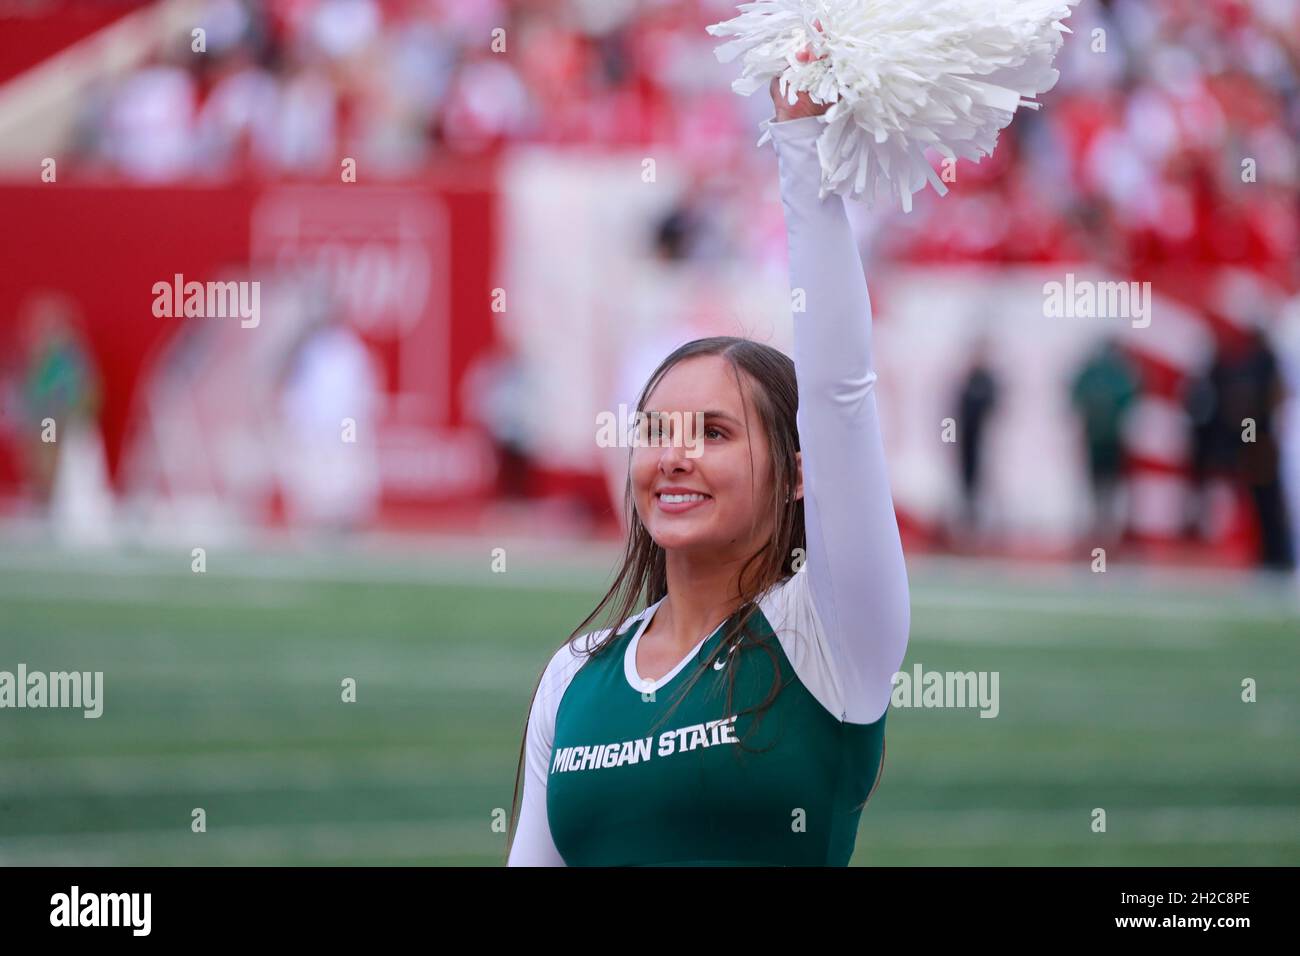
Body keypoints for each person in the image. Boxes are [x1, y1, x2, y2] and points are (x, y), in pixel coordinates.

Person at [506, 70, 910, 866]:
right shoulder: (572, 679)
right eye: (658, 429)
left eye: (716, 433)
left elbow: (842, 392)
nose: (675, 454)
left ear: (799, 473)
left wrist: (802, 141)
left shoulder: (829, 638)